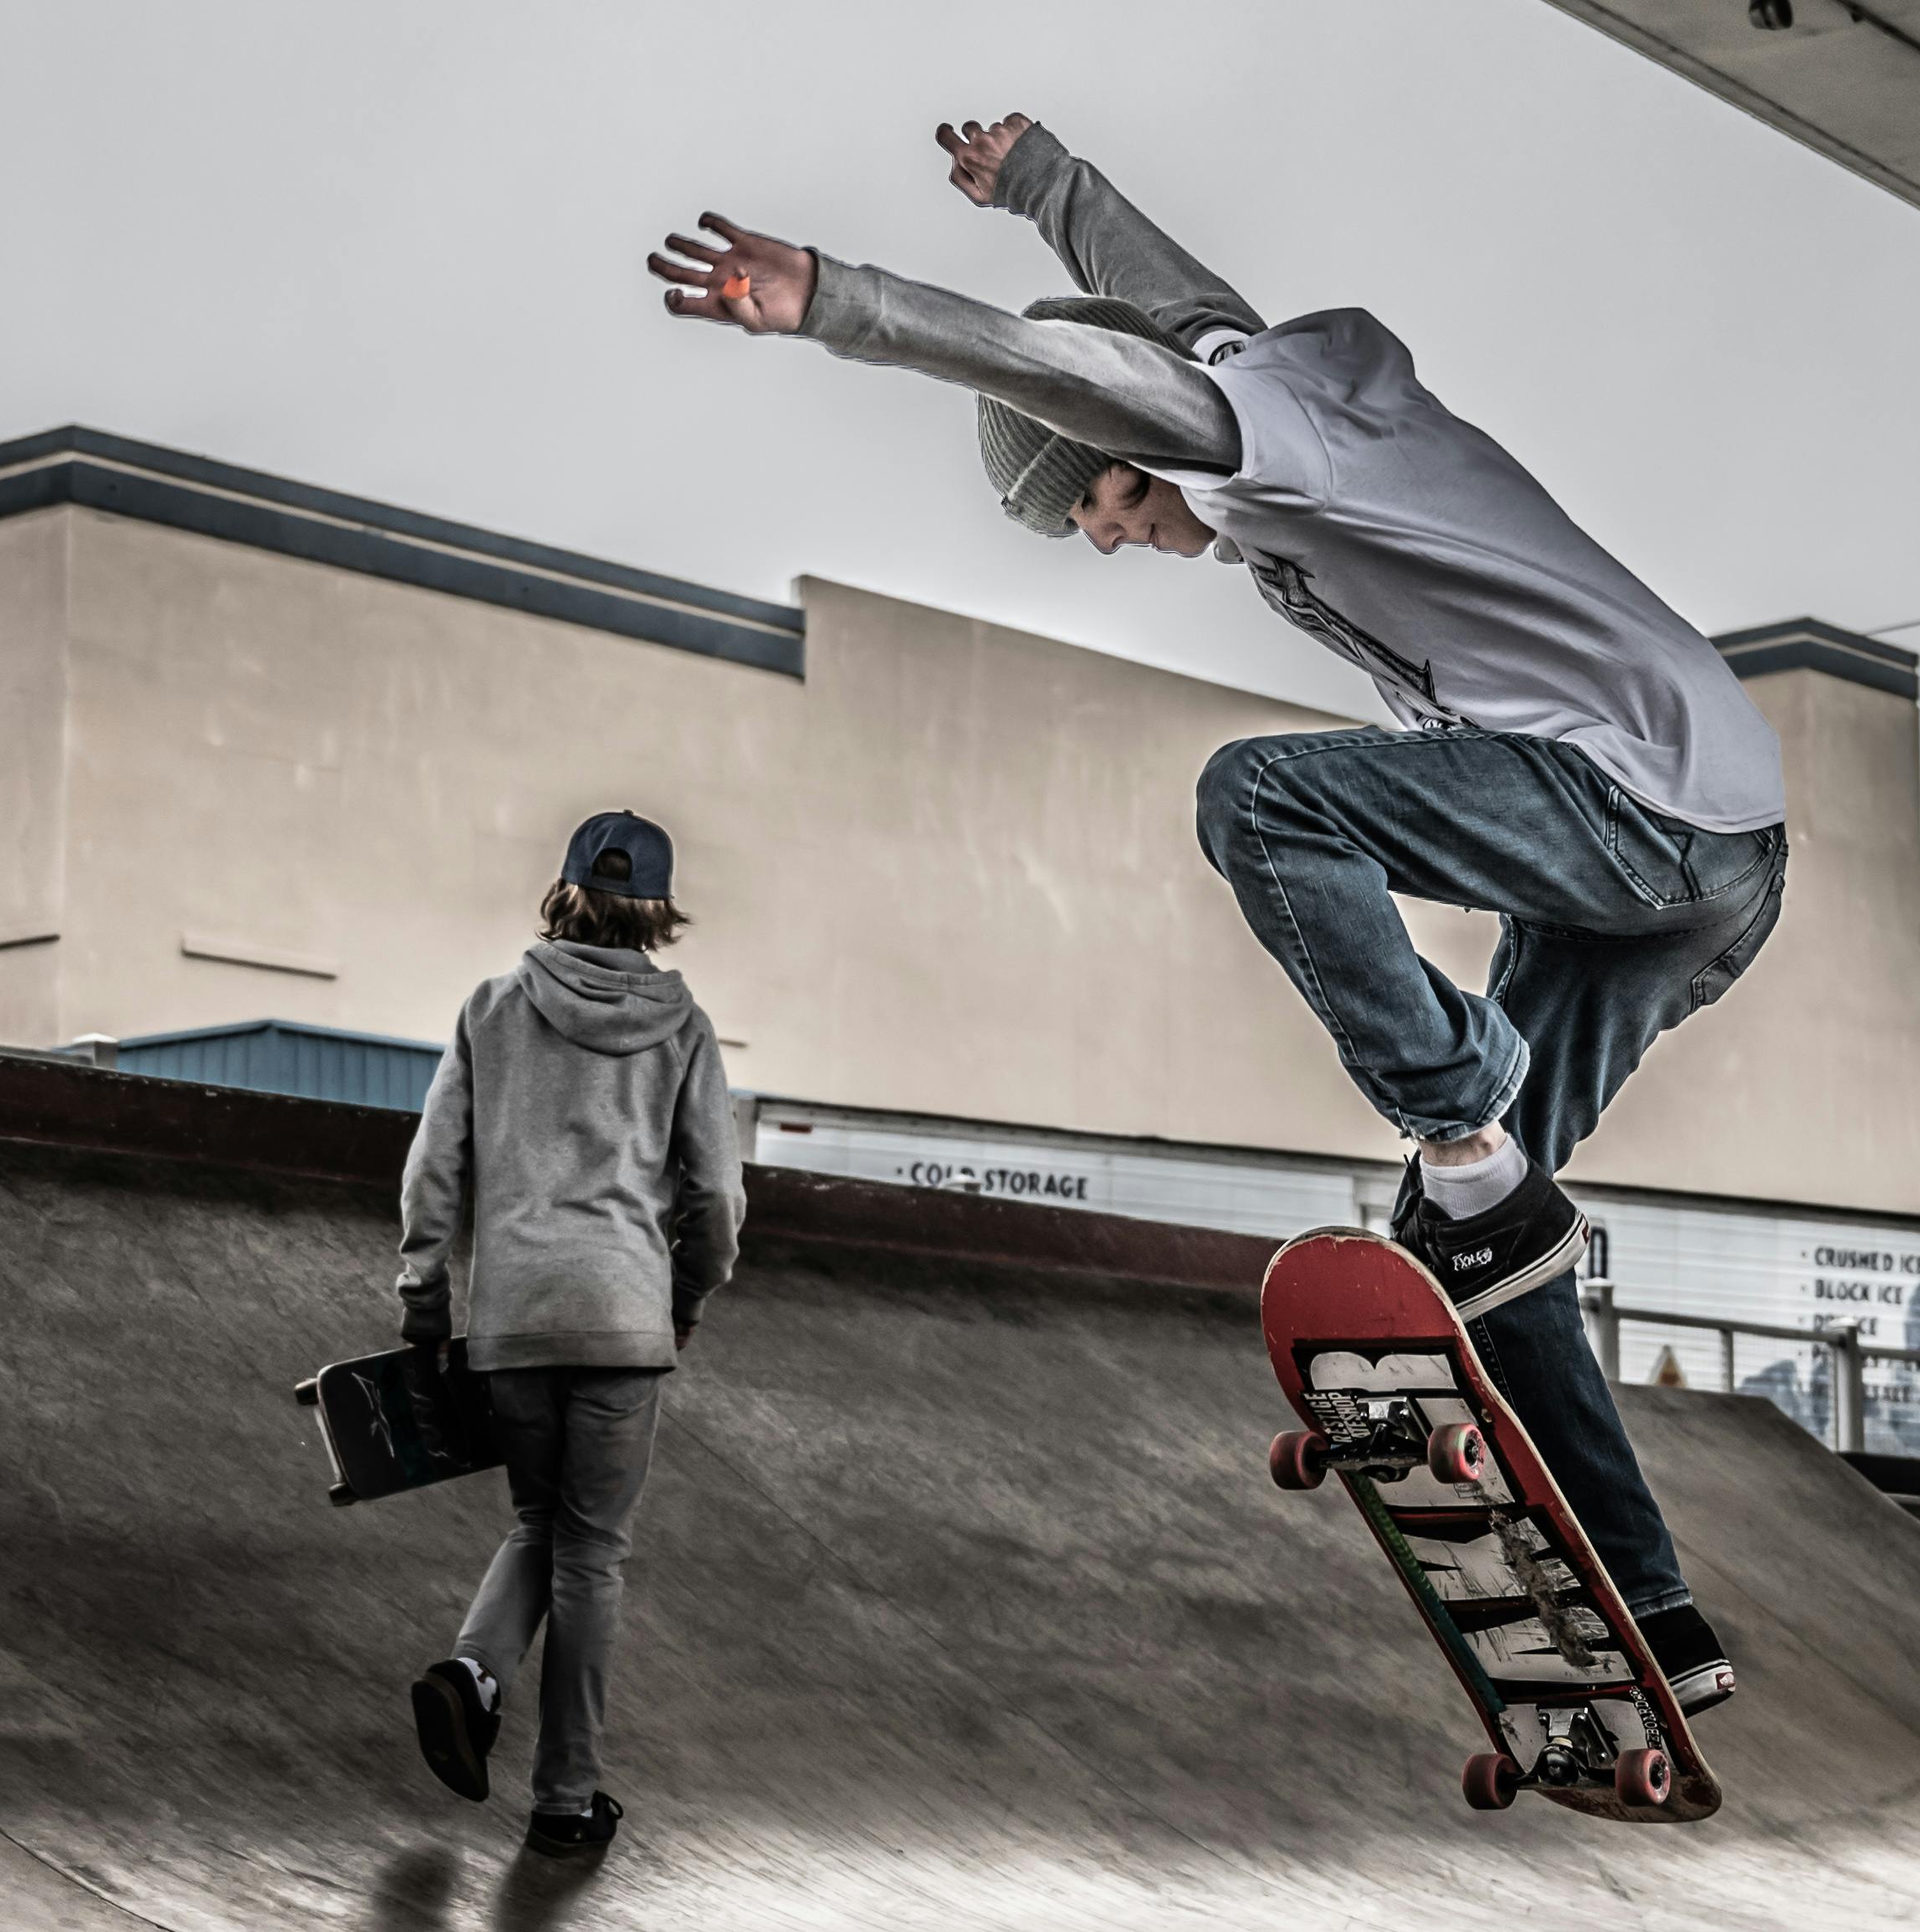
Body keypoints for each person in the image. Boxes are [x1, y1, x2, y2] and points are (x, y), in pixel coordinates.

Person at [641, 112, 1777, 1714]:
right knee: (1474, 1244)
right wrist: (1038, 182)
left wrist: (829, 299)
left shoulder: (1253, 437)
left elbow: (1084, 370)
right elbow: (1153, 292)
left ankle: (1458, 1121)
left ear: (1128, 455)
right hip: (1695, 864)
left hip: (1631, 808)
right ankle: (1650, 1610)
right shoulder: (1271, 385)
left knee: (1259, 796)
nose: (1108, 541)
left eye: (1092, 512)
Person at [395, 809, 745, 1851]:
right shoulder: (684, 1027)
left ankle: (471, 1670)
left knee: (538, 1523)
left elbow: (433, 1170)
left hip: (513, 1314)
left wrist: (423, 1301)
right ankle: (563, 1799)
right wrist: (681, 1298)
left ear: (562, 891)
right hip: (622, 1321)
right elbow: (716, 1199)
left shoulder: (493, 1007)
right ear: (657, 911)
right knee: (589, 1552)